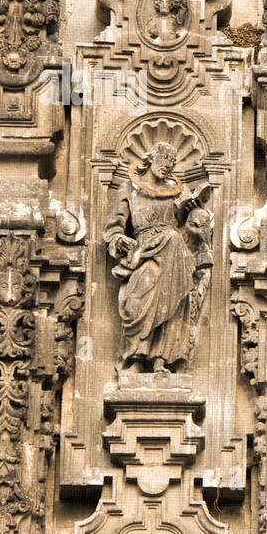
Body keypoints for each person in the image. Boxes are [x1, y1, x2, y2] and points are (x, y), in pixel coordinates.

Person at [104, 142, 212, 372]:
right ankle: (136, 355)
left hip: (174, 253)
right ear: (151, 158)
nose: (166, 166)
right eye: (163, 160)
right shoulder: (129, 189)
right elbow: (115, 227)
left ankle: (161, 360)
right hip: (143, 254)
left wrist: (193, 211)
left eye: (171, 163)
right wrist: (118, 239)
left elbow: (189, 226)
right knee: (138, 300)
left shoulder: (177, 191)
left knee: (173, 298)